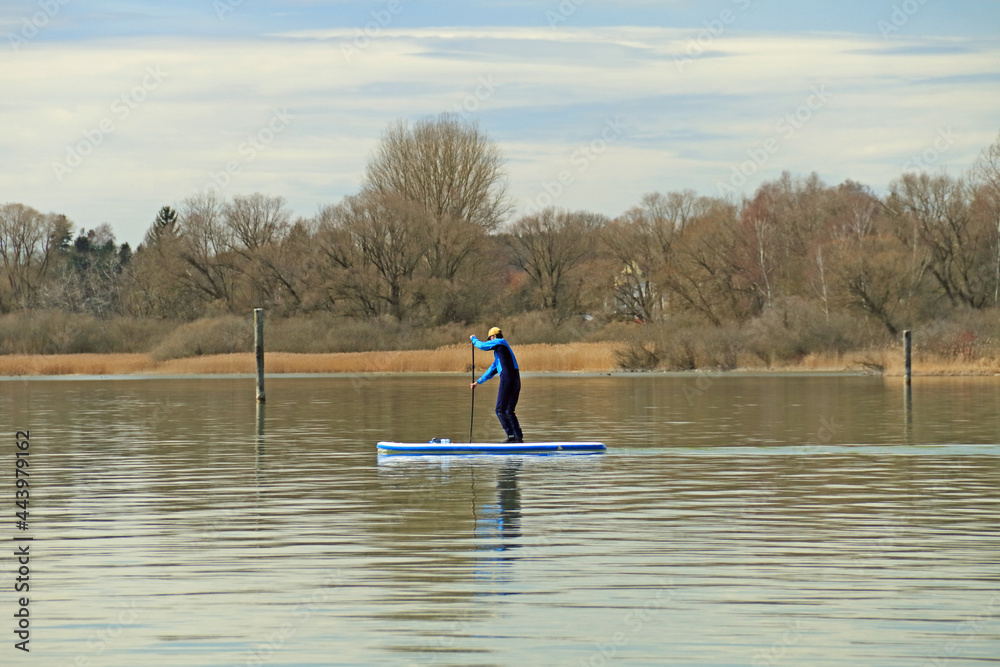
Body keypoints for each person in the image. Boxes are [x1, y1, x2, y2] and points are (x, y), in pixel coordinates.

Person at [470, 326, 523, 443]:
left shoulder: (500, 343)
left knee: (500, 410)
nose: (490, 342)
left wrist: (474, 339)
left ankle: (511, 437)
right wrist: (478, 382)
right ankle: (518, 438)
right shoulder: (502, 353)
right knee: (509, 410)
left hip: (507, 378)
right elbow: (492, 369)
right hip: (516, 380)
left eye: (490, 340)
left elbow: (482, 346)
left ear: (493, 337)